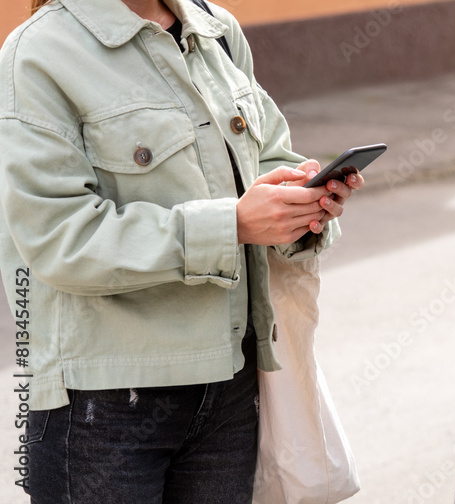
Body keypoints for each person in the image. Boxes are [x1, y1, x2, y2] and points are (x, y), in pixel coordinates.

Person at [0, 0, 364, 501]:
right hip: (102, 408)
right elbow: (60, 240)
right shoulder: (39, 53)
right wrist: (232, 224)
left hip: (230, 388)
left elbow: (270, 157)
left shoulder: (215, 30)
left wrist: (304, 205)